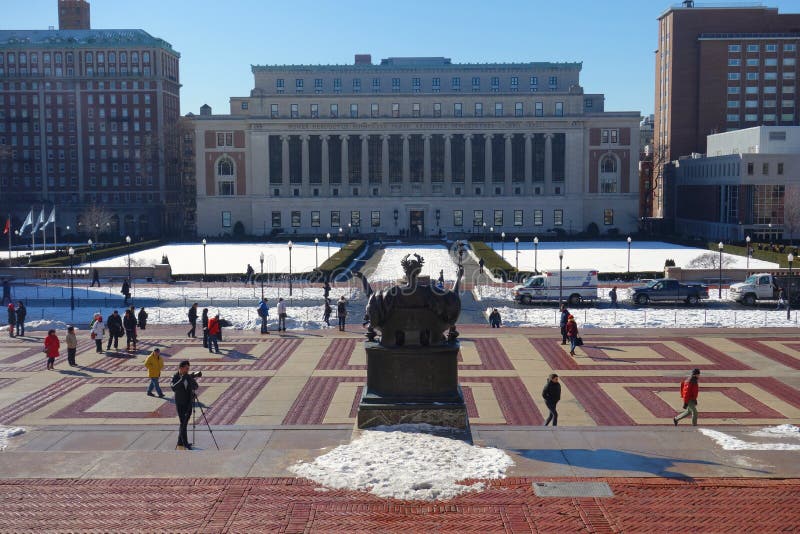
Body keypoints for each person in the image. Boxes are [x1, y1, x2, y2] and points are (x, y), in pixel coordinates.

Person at [170, 360, 199, 450]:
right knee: (183, 422)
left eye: (188, 369)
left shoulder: (188, 376)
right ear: (181, 368)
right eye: (186, 368)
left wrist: (190, 378)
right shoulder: (174, 376)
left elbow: (196, 386)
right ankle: (185, 443)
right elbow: (174, 387)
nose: (187, 370)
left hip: (189, 403)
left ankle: (180, 441)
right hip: (180, 403)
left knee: (184, 423)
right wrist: (182, 379)